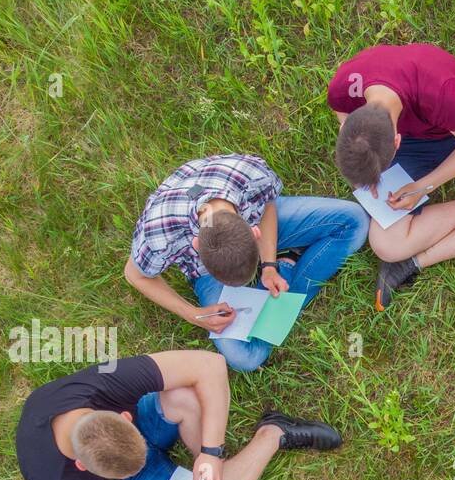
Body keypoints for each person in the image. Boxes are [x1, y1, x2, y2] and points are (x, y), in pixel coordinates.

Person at [15, 350, 341, 480]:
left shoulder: (104, 385)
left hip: (135, 428)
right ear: (82, 467)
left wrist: (211, 451)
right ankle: (273, 433)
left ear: (124, 417)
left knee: (183, 398)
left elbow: (208, 365)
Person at [328, 43, 455, 310]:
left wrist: (423, 186)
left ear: (396, 141)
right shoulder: (343, 85)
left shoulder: (438, 92)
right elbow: (342, 118)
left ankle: (417, 261)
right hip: (417, 138)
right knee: (386, 244)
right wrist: (363, 177)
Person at [124, 153, 368, 371]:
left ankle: (282, 277)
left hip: (262, 224)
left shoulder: (250, 174)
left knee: (355, 220)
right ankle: (289, 274)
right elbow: (134, 275)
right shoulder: (158, 233)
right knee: (244, 358)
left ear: (254, 232)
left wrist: (269, 264)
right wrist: (193, 314)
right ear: (196, 245)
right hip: (202, 267)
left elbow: (268, 206)